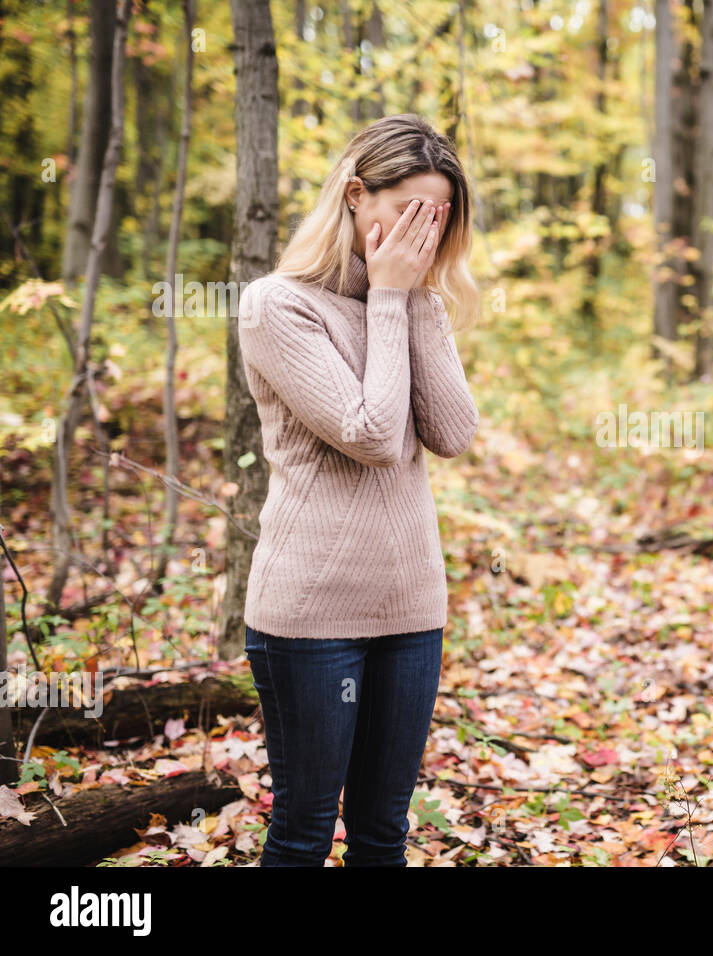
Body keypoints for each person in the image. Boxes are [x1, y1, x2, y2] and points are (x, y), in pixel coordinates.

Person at [235, 114, 479, 866]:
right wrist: (388, 298)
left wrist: (410, 301)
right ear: (353, 196)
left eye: (437, 215)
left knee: (384, 836)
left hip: (411, 608)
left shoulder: (414, 302)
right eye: (407, 209)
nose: (422, 230)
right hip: (312, 617)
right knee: (304, 836)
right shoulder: (279, 306)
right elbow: (372, 434)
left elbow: (453, 432)